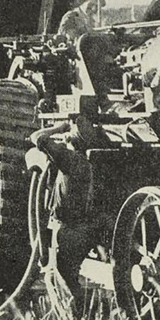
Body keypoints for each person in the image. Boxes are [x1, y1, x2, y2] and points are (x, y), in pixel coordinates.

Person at [28, 112, 115, 294]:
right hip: (87, 229)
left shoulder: (68, 159)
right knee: (71, 278)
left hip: (68, 230)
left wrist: (59, 128)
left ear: (71, 140)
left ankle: (75, 308)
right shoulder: (90, 163)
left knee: (63, 280)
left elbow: (37, 137)